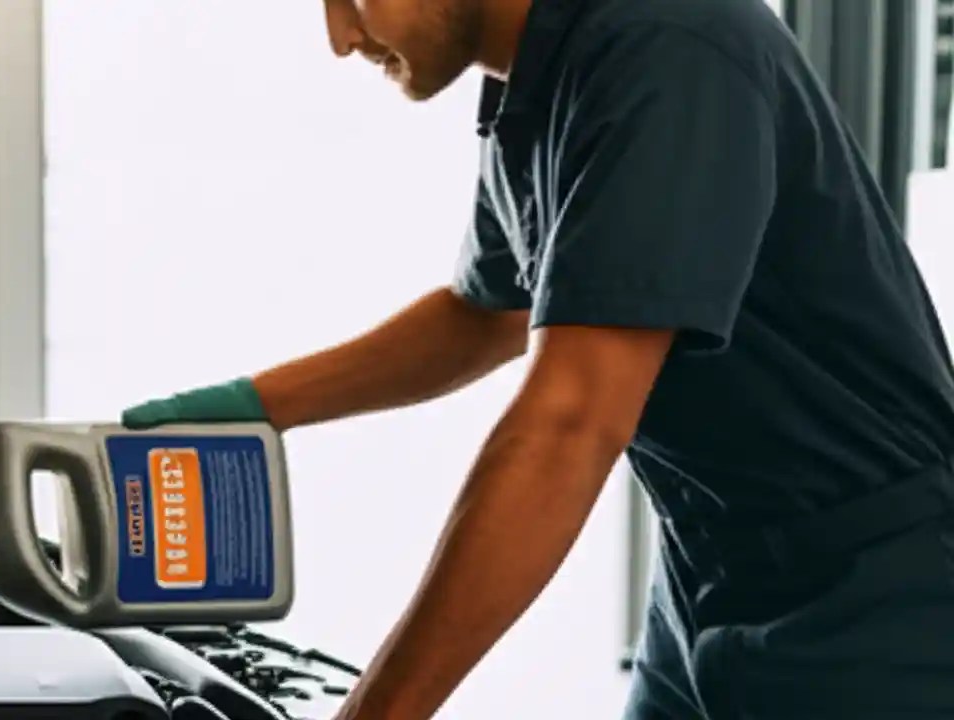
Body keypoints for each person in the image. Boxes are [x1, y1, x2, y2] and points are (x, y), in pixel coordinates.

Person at [122, 0, 954, 717]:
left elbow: (568, 424)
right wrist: (250, 405)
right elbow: (486, 313)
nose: (341, 36)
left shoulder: (669, 47)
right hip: (707, 571)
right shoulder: (538, 74)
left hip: (876, 602)